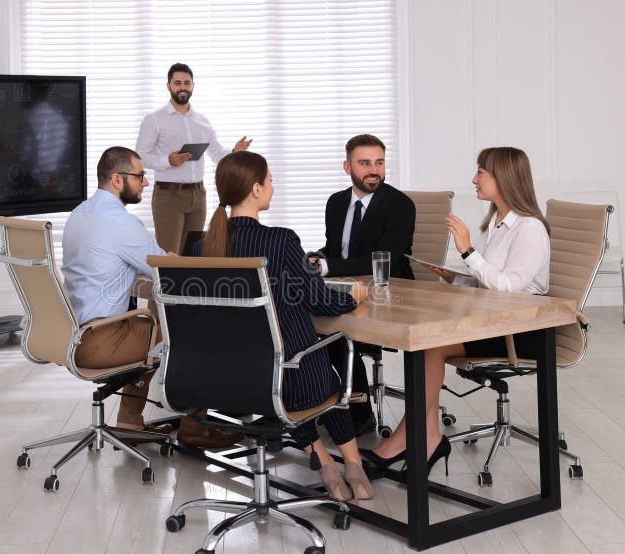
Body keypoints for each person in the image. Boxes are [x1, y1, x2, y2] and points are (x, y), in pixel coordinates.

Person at [193, 151, 374, 501]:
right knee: (322, 379)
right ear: (256, 189)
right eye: (271, 181)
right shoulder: (280, 240)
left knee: (291, 378)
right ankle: (353, 466)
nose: (273, 188)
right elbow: (320, 301)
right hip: (290, 377)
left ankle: (326, 464)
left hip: (232, 380)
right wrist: (354, 296)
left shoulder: (204, 248)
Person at [362, 146, 551, 475]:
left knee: (433, 346)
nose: (474, 179)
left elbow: (509, 288)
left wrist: (467, 251)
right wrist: (457, 277)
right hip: (492, 322)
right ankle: (429, 438)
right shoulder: (494, 223)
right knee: (428, 345)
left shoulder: (530, 229)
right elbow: (487, 284)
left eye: (481, 172)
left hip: (522, 330)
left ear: (503, 178)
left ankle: (406, 440)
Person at [62, 146, 242, 449]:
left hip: (72, 334)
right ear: (117, 180)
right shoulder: (121, 223)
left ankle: (130, 423)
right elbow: (167, 269)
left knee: (153, 327)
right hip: (101, 340)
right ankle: (195, 429)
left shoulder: (79, 214)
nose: (146, 182)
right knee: (193, 334)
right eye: (140, 176)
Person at [314, 134, 416, 435]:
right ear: (348, 167)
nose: (374, 170)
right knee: (308, 326)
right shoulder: (336, 203)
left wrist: (329, 267)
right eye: (365, 163)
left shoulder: (400, 205)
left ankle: (359, 415)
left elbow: (383, 258)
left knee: (335, 334)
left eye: (379, 162)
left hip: (389, 293)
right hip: (344, 288)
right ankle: (323, 403)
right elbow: (336, 250)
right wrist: (316, 259)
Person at [135, 62, 252, 254]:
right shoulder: (154, 119)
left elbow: (216, 153)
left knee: (193, 254)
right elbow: (141, 156)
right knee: (169, 256)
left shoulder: (202, 121)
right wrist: (168, 161)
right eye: (177, 83)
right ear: (168, 85)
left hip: (198, 196)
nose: (182, 87)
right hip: (168, 196)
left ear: (193, 85)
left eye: (187, 83)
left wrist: (234, 151)